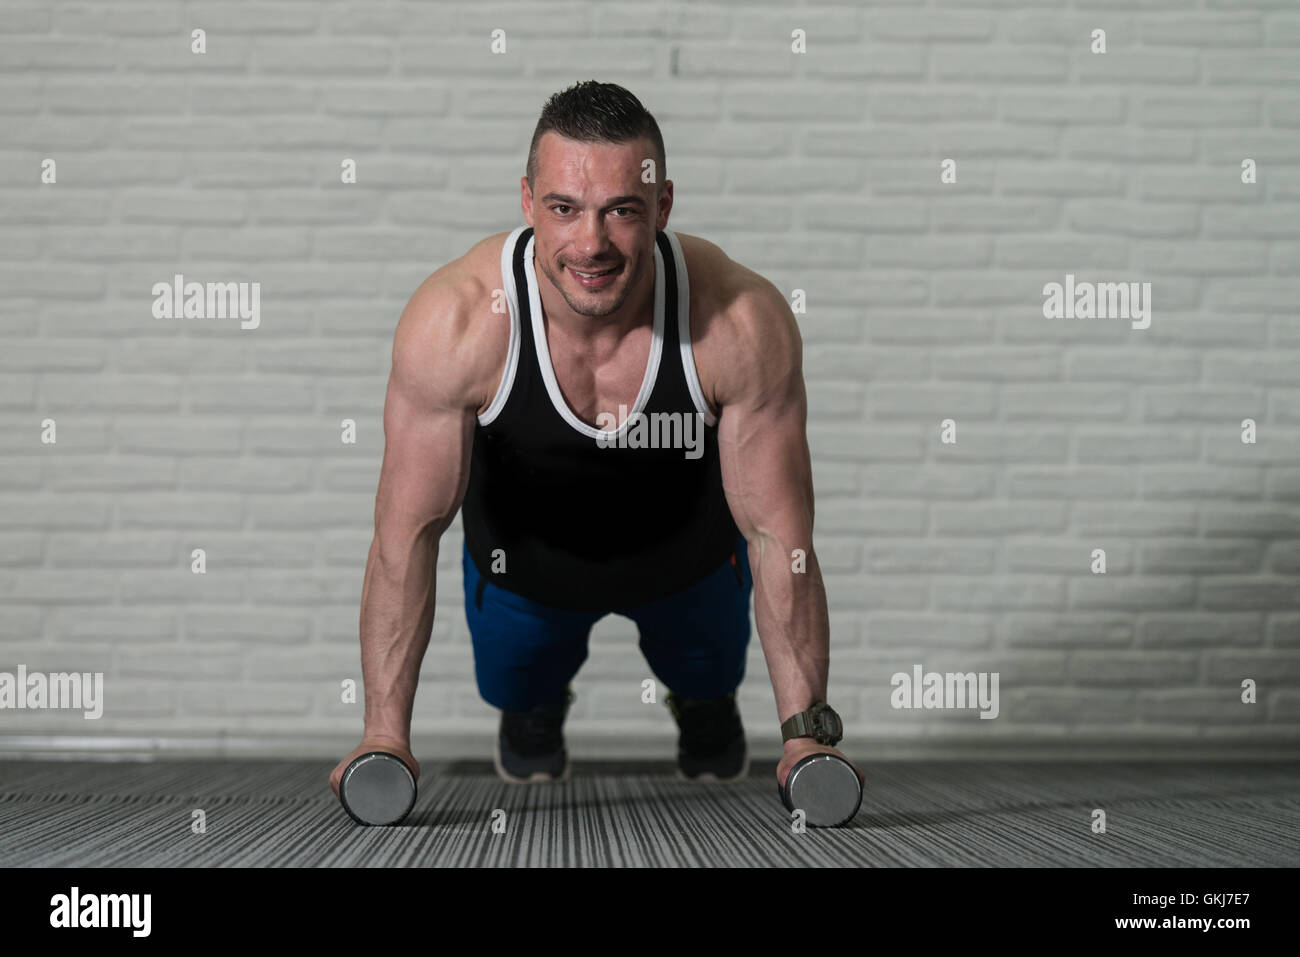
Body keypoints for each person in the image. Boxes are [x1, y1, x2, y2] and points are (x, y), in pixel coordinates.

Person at [330, 80, 864, 807]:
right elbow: (407, 533)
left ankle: (703, 705)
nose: (591, 242)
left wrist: (808, 735)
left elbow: (779, 533)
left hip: (689, 567)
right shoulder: (453, 324)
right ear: (527, 203)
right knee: (521, 693)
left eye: (622, 210)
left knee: (710, 679)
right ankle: (536, 707)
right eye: (564, 209)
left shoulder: (738, 322)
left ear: (663, 207)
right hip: (525, 571)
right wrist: (383, 735)